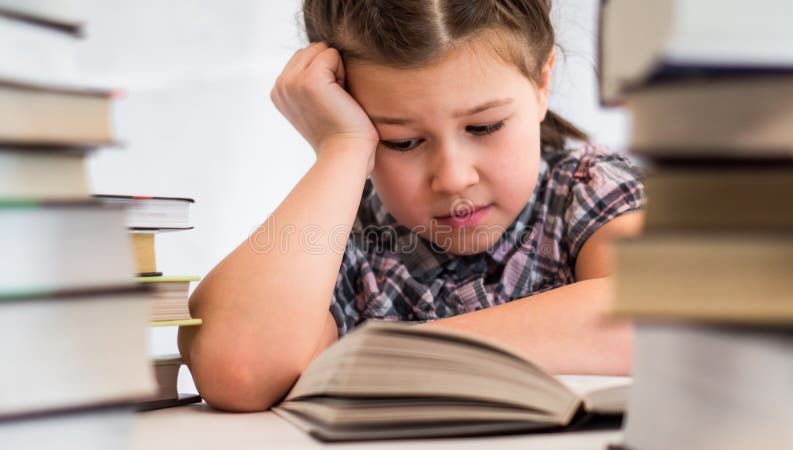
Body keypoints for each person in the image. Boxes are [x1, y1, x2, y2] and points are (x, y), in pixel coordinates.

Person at [178, 0, 646, 412]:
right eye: (401, 141)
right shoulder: (347, 238)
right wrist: (341, 149)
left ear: (542, 83)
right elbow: (237, 367)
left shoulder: (588, 189)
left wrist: (384, 355)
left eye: (484, 127)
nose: (453, 177)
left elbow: (657, 319)